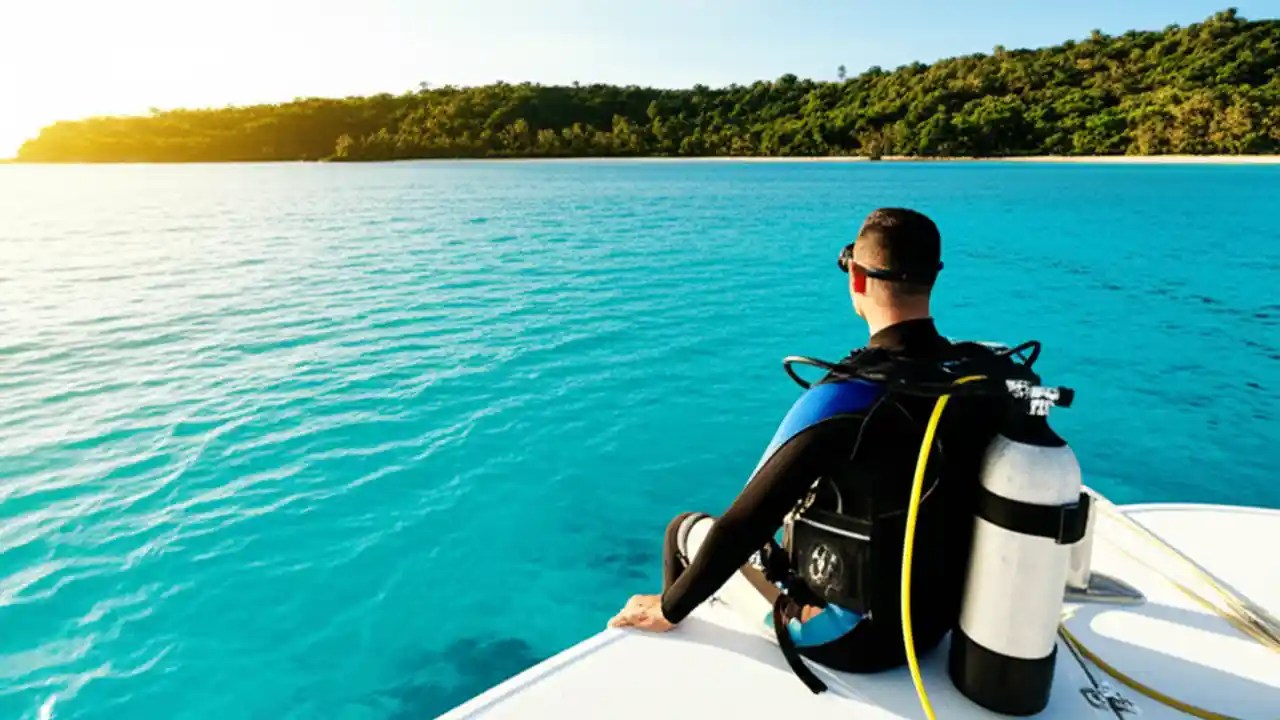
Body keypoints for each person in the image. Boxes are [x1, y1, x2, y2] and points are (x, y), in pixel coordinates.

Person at [607, 207, 1011, 691]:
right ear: (933, 279)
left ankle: (674, 646)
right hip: (937, 627)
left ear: (856, 279)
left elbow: (743, 525)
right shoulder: (980, 377)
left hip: (856, 642)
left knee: (686, 530)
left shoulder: (843, 397)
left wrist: (671, 605)